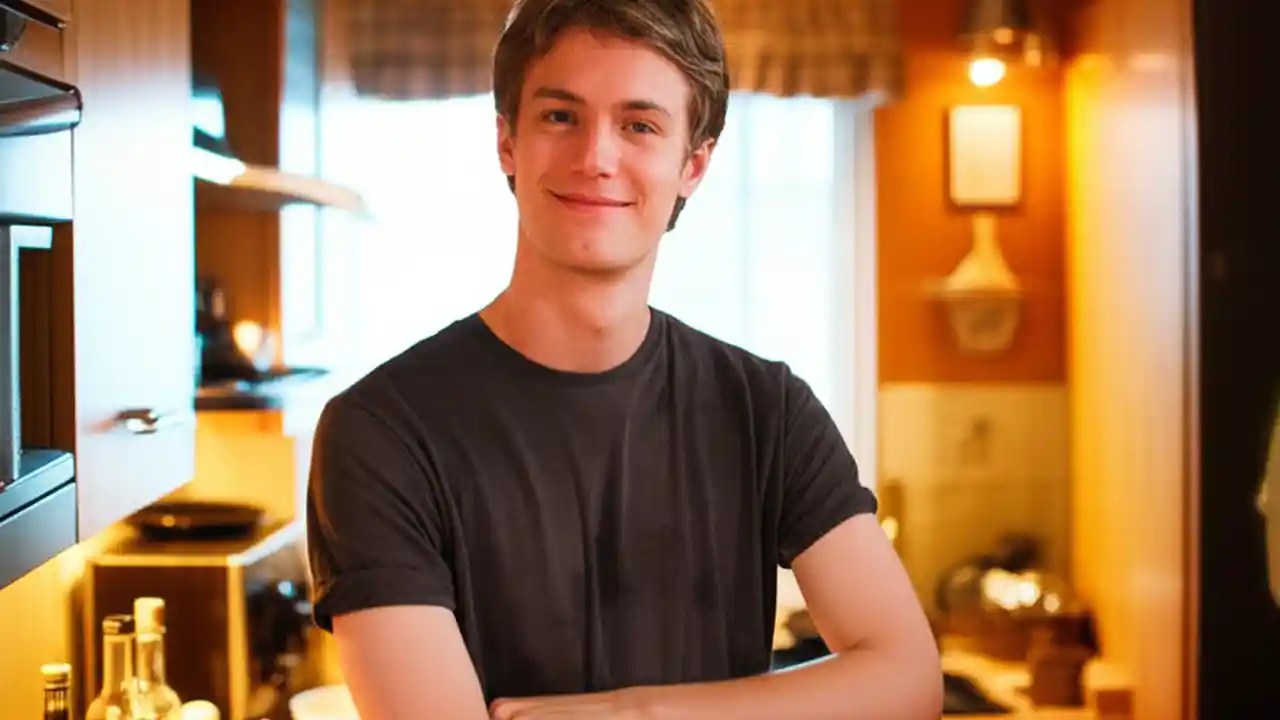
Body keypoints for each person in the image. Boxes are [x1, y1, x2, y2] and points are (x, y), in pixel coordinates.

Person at [305, 0, 942, 717]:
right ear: (506, 142)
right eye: (559, 116)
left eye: (639, 125)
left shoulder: (768, 410)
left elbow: (909, 679)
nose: (595, 158)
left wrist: (631, 712)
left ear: (692, 165)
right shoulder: (379, 432)